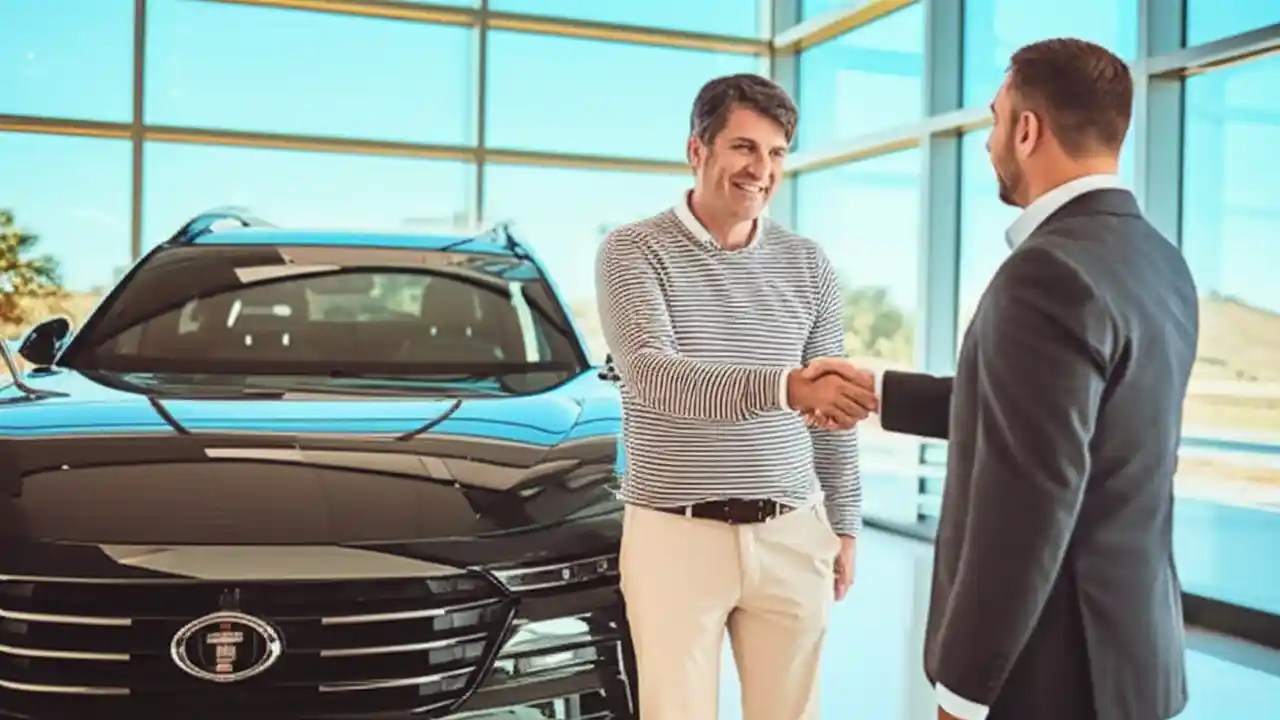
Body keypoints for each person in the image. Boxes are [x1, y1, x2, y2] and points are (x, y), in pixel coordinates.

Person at [805, 39, 1198, 720]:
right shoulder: (1160, 262)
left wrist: (963, 692)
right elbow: (1054, 415)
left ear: (1027, 130)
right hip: (1137, 662)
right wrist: (881, 392)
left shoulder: (1048, 272)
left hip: (1054, 675)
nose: (989, 143)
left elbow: (1027, 507)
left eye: (994, 119)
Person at [595, 73, 875, 720]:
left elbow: (830, 409)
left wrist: (844, 522)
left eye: (776, 153)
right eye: (744, 148)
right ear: (697, 151)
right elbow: (653, 375)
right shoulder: (633, 251)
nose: (762, 170)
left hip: (793, 531)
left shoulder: (808, 263)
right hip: (674, 534)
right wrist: (785, 386)